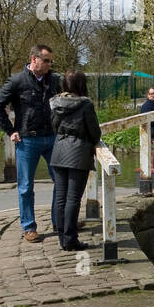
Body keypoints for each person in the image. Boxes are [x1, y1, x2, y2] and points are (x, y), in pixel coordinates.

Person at [0, 44, 62, 242]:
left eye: (50, 61)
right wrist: (10, 130)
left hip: (52, 137)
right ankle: (29, 227)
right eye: (46, 60)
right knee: (25, 186)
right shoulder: (17, 81)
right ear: (34, 59)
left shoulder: (54, 80)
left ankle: (59, 221)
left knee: (60, 180)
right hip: (28, 139)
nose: (49, 64)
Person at [49, 70, 101, 251]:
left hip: (58, 151)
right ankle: (71, 239)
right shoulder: (85, 104)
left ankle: (62, 238)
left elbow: (54, 126)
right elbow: (94, 131)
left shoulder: (56, 103)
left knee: (60, 197)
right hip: (78, 152)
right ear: (82, 85)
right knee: (73, 198)